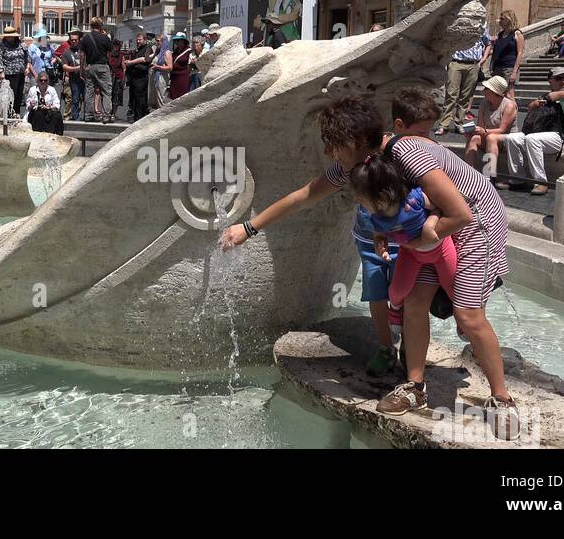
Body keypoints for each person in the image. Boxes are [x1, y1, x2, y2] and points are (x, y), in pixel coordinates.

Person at [220, 90, 520, 440]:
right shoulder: (355, 167)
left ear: (357, 140)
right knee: (414, 302)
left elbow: (461, 213)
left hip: (475, 224)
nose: (329, 152)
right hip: (430, 231)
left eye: (333, 144)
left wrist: (418, 237)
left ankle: (501, 399)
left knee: (468, 315)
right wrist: (248, 227)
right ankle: (414, 385)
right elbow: (305, 195)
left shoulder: (408, 152)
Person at [349, 157, 457, 337]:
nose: (362, 205)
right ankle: (395, 309)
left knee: (452, 285)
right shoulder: (377, 218)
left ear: (381, 198)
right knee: (398, 291)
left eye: (362, 200)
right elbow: (379, 235)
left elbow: (441, 207)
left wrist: (430, 224)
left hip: (441, 249)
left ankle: (462, 320)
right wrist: (380, 246)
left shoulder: (414, 199)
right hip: (411, 254)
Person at [499, 67, 564, 196]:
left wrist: (560, 94)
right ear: (550, 80)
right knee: (512, 138)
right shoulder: (545, 96)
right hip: (544, 135)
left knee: (532, 139)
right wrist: (535, 105)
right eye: (559, 78)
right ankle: (518, 178)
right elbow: (530, 109)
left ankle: (541, 182)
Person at [437, 26, 491, 136]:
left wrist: (484, 59)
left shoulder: (482, 28)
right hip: (456, 62)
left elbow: (488, 43)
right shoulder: (458, 25)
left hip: (473, 64)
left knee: (466, 96)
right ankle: (444, 125)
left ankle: (459, 122)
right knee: (451, 94)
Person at [464, 76, 519, 169]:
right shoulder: (484, 104)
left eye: (486, 89)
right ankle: (469, 170)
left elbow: (502, 130)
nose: (483, 91)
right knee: (474, 138)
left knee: (491, 138)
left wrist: (484, 131)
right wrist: (473, 131)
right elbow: (480, 126)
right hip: (489, 134)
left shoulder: (509, 105)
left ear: (494, 92)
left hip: (507, 138)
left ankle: (489, 173)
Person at [80, 17, 114, 123]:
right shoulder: (104, 38)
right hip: (103, 66)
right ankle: (106, 115)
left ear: (91, 26)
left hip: (90, 66)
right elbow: (112, 52)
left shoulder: (85, 38)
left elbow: (82, 56)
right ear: (100, 26)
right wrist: (105, 35)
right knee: (106, 91)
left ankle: (88, 114)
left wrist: (82, 69)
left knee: (89, 91)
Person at [490, 10, 525, 104]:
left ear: (509, 20)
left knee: (509, 94)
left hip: (509, 67)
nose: (499, 21)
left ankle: (513, 117)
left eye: (502, 19)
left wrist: (514, 72)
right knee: (497, 93)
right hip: (498, 66)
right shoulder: (500, 34)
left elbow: (520, 53)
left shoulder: (517, 34)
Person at [0, 26, 29, 116]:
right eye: (7, 36)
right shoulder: (2, 45)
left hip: (21, 73)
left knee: (19, 94)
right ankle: (9, 113)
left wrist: (27, 67)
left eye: (10, 36)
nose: (9, 37)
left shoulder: (21, 44)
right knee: (10, 94)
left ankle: (17, 112)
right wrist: (1, 71)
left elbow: (27, 57)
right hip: (9, 74)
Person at [124, 31, 153, 122]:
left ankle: (140, 118)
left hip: (141, 77)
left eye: (140, 40)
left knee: (140, 99)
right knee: (134, 99)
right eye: (137, 40)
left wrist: (131, 63)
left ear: (145, 40)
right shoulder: (138, 49)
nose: (138, 41)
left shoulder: (148, 48)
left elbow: (145, 59)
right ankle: (135, 117)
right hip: (134, 77)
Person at [155, 32, 192, 101]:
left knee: (183, 98)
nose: (176, 42)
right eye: (175, 40)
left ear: (183, 41)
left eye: (178, 40)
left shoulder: (189, 51)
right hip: (174, 78)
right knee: (174, 99)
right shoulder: (176, 51)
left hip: (183, 78)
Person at [59, 29, 85, 121]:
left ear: (79, 40)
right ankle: (75, 117)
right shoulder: (66, 52)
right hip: (74, 79)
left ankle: (86, 116)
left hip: (85, 79)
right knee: (75, 98)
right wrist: (76, 68)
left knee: (86, 98)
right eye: (72, 40)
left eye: (75, 40)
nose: (73, 41)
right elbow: (64, 67)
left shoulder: (84, 50)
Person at [108, 39, 126, 123]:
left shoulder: (121, 55)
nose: (115, 47)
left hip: (118, 78)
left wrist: (123, 79)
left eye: (117, 45)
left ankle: (113, 114)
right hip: (109, 78)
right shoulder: (108, 55)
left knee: (116, 96)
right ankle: (108, 112)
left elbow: (124, 68)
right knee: (108, 96)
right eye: (114, 45)